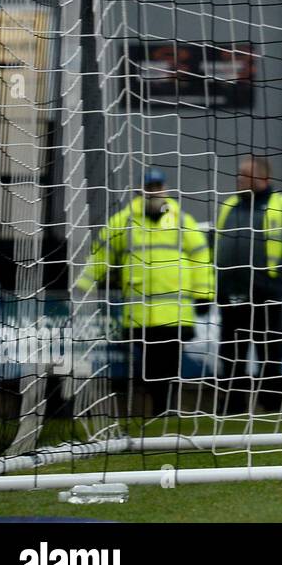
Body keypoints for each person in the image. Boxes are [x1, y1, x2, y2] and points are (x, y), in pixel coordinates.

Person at [76, 166, 214, 416]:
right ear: (141, 190)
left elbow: (201, 259)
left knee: (171, 361)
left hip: (175, 311)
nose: (154, 192)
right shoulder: (124, 221)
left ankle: (166, 407)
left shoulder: (182, 220)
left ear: (165, 189)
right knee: (149, 365)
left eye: (157, 187)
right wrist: (82, 288)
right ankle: (159, 406)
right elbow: (101, 254)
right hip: (142, 312)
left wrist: (204, 295)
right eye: (149, 188)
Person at [213, 155, 282, 413]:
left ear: (263, 179)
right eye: (239, 174)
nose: (239, 179)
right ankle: (232, 406)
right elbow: (216, 244)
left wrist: (279, 280)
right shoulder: (229, 205)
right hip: (231, 292)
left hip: (267, 293)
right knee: (231, 353)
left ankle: (272, 404)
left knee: (270, 352)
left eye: (246, 175)